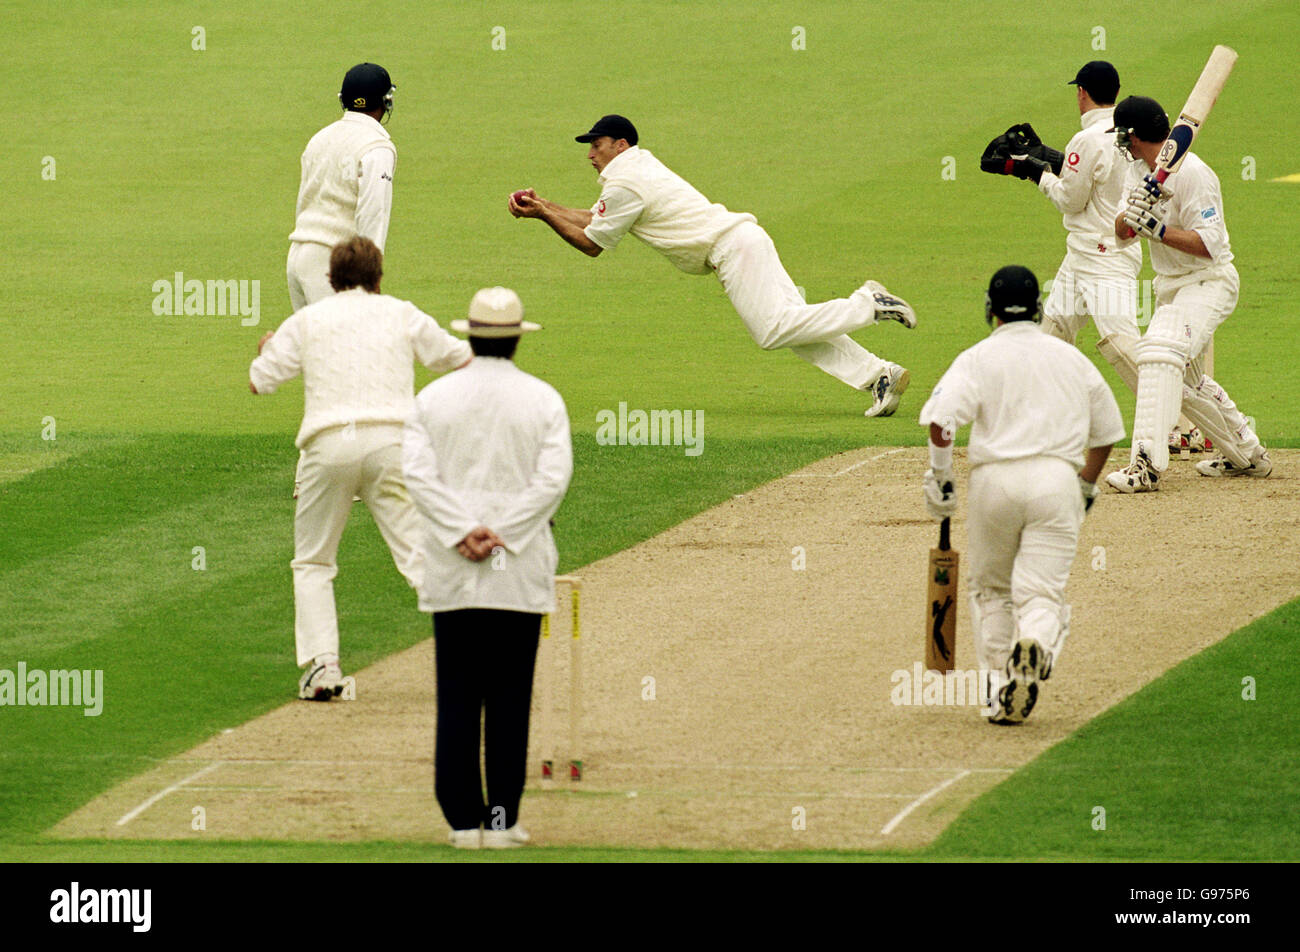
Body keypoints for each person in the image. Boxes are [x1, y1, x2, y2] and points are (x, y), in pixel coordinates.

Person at [508, 114, 918, 418]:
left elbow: (591, 243)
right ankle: (879, 375)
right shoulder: (635, 171)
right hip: (742, 241)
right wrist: (544, 206)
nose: (590, 154)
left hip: (732, 249)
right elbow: (599, 219)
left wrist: (543, 217)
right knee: (794, 326)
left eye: (597, 145)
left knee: (772, 331)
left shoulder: (624, 183)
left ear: (621, 145)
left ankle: (868, 304)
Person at [249, 236, 471, 700]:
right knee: (416, 554)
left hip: (327, 446)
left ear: (330, 279)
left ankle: (324, 668)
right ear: (378, 277)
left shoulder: (308, 319)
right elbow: (458, 357)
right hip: (393, 443)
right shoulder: (401, 312)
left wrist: (267, 349)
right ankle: (474, 646)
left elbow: (260, 382)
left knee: (313, 560)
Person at [401, 287, 572, 849]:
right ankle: (500, 823)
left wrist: (461, 532)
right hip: (517, 572)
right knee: (508, 699)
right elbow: (551, 480)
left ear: (470, 335)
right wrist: (503, 536)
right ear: (519, 338)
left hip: (454, 572)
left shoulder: (435, 398)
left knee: (456, 697)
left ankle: (460, 824)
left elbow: (419, 475)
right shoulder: (543, 398)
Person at [920, 266, 1123, 724]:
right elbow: (1107, 431)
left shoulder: (976, 358)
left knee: (992, 592)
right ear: (1038, 309)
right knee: (1041, 593)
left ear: (990, 310)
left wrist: (941, 478)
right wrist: (1085, 486)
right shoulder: (1070, 358)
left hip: (995, 483)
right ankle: (1036, 644)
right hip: (1056, 482)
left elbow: (941, 423)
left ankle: (998, 693)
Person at [1103, 96, 1270, 492]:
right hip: (1171, 285)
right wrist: (1132, 220)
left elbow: (1211, 245)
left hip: (1208, 280)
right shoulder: (1140, 172)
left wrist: (1159, 231)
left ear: (1135, 135)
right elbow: (1122, 233)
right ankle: (1248, 455)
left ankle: (1145, 466)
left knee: (1158, 353)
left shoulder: (1195, 174)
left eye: (1123, 137)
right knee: (1187, 383)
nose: (1121, 145)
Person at [983, 62, 1144, 405]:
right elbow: (1096, 179)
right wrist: (1052, 161)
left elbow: (1070, 200)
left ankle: (1181, 419)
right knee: (1052, 332)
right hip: (1089, 252)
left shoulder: (1085, 139)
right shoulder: (1131, 131)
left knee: (1122, 344)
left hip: (1104, 259)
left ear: (1081, 92)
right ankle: (1040, 415)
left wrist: (1033, 171)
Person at [286, 62, 398, 497]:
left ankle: (313, 474)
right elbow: (373, 211)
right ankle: (330, 477)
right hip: (338, 265)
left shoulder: (320, 138)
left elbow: (306, 200)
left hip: (300, 257)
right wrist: (367, 274)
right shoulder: (377, 146)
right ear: (385, 102)